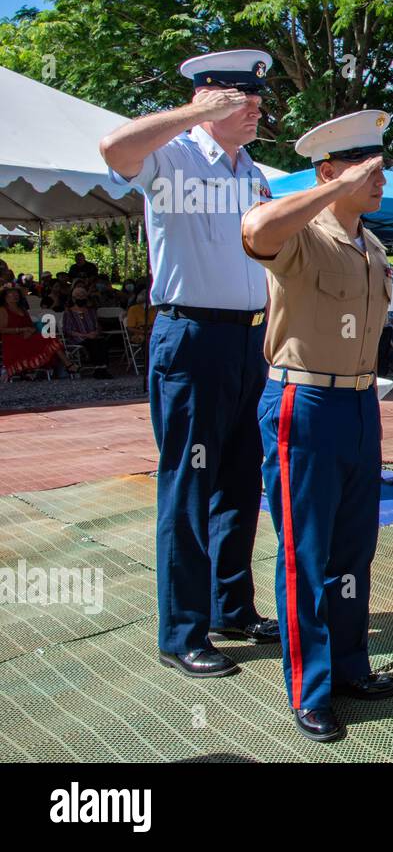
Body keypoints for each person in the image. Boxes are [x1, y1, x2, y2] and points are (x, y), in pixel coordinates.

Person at [99, 48, 279, 678]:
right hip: (192, 336)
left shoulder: (251, 170)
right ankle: (182, 631)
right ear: (212, 100)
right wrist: (188, 114)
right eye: (245, 99)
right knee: (188, 484)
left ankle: (232, 606)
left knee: (237, 481)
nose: (258, 107)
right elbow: (113, 149)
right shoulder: (173, 156)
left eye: (258, 98)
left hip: (246, 341)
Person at [241, 109, 393, 743]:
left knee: (354, 548)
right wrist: (333, 189)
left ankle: (351, 666)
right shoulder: (303, 236)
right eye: (366, 169)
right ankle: (310, 689)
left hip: (360, 406)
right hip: (302, 405)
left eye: (379, 167)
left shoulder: (373, 245)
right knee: (305, 553)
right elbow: (255, 229)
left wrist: (348, 187)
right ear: (328, 170)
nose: (379, 179)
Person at [1, 286, 75, 377]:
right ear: (5, 296)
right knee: (50, 339)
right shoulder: (3, 310)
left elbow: (31, 326)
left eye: (16, 293)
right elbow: (2, 329)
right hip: (13, 339)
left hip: (28, 336)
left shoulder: (23, 310)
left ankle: (66, 365)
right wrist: (21, 330)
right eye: (11, 293)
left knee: (51, 338)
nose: (15, 295)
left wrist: (30, 330)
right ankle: (68, 365)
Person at [62, 284, 112, 379]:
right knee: (93, 344)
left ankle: (103, 368)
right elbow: (68, 330)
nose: (81, 298)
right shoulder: (69, 312)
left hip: (93, 335)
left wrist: (96, 332)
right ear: (73, 299)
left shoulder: (91, 311)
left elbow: (97, 325)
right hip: (78, 337)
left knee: (102, 342)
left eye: (83, 296)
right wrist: (85, 335)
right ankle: (98, 368)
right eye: (78, 297)